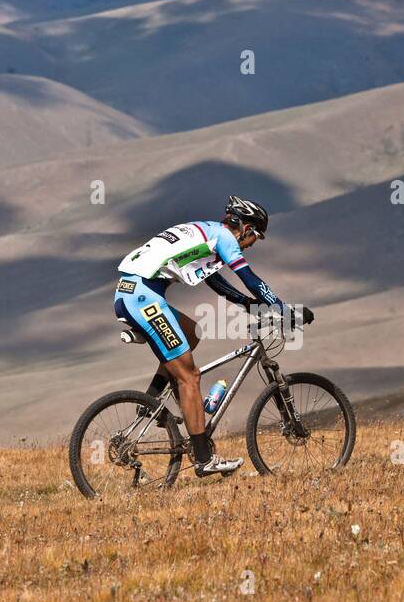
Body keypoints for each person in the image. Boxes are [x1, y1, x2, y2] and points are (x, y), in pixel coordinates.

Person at [114, 195, 313, 476]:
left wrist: (248, 306)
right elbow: (251, 279)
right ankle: (204, 460)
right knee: (190, 377)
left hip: (130, 292)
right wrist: (284, 309)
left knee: (191, 333)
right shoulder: (224, 237)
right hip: (143, 296)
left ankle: (152, 402)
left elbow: (217, 283)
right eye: (255, 236)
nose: (251, 244)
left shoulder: (205, 232)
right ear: (244, 227)